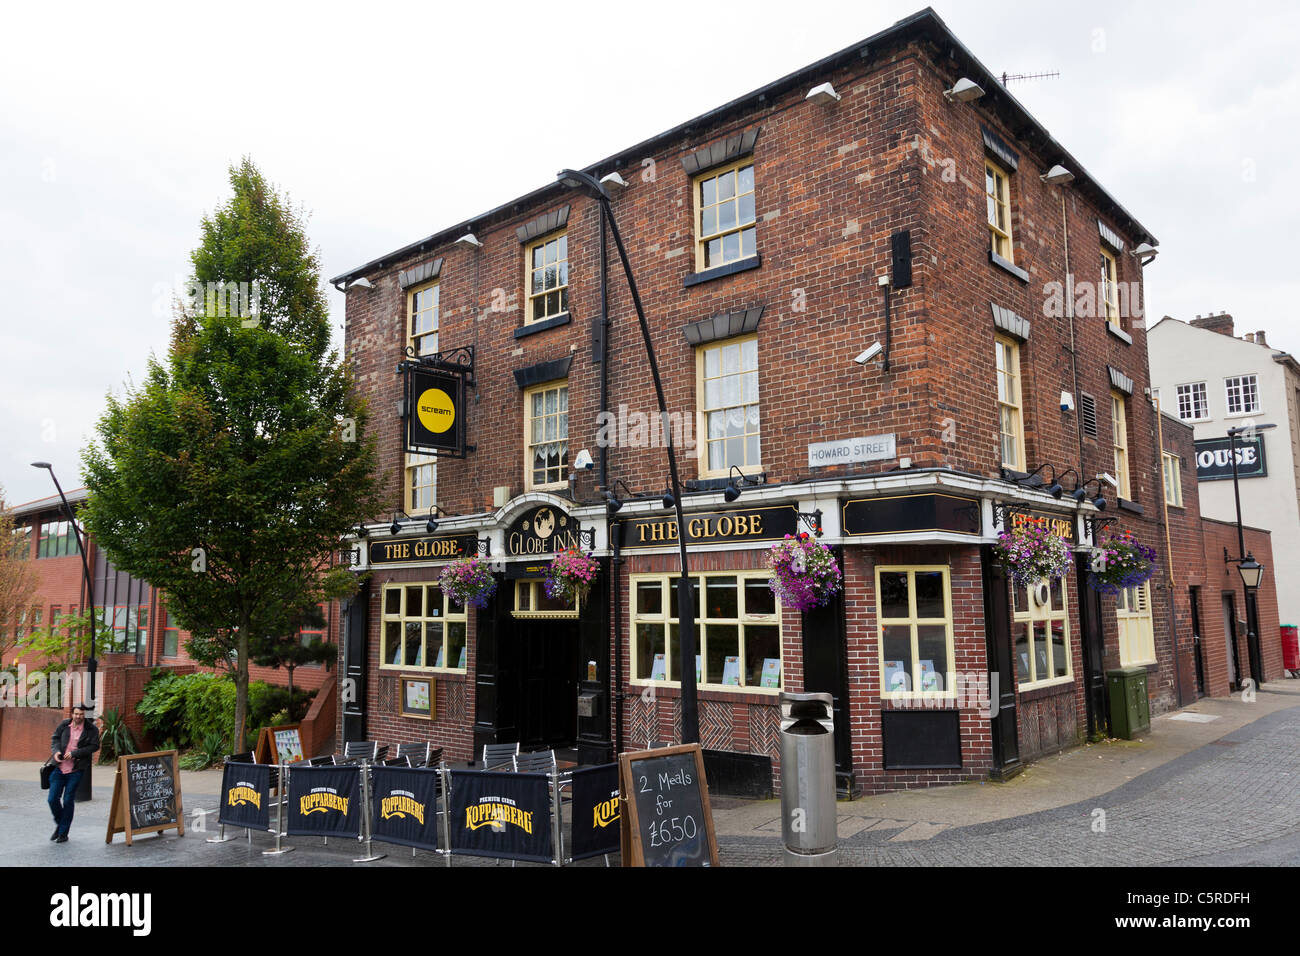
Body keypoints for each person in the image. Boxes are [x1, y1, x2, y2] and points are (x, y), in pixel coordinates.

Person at [49, 704, 100, 843]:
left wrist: (75, 753)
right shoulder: (64, 725)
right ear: (72, 714)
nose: (78, 717)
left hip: (76, 770)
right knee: (52, 799)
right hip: (58, 767)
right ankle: (61, 826)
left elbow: (95, 746)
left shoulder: (91, 729)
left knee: (67, 800)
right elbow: (55, 739)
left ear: (84, 715)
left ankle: (63, 833)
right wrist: (57, 752)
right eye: (76, 714)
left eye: (81, 714)